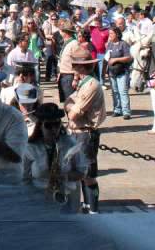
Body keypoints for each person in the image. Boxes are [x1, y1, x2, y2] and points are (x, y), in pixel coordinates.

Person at [63, 45, 106, 214]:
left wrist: (69, 105)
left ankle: (93, 209)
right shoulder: (83, 83)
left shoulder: (91, 86)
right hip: (77, 132)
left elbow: (73, 113)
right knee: (79, 172)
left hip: (85, 133)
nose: (73, 68)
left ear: (82, 67)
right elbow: (67, 104)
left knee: (87, 174)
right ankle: (87, 205)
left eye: (75, 65)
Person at [22, 103, 86, 212]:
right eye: (48, 126)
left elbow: (82, 172)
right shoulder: (30, 148)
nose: (53, 129)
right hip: (39, 200)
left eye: (57, 124)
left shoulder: (70, 143)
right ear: (40, 126)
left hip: (68, 197)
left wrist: (64, 176)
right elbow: (23, 179)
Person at [105, 28, 132, 120]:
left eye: (111, 33)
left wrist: (116, 60)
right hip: (112, 72)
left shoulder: (123, 44)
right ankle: (117, 110)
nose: (110, 35)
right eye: (109, 34)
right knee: (115, 92)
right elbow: (107, 57)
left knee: (123, 92)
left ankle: (126, 112)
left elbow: (129, 57)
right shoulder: (109, 44)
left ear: (117, 34)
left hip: (122, 72)